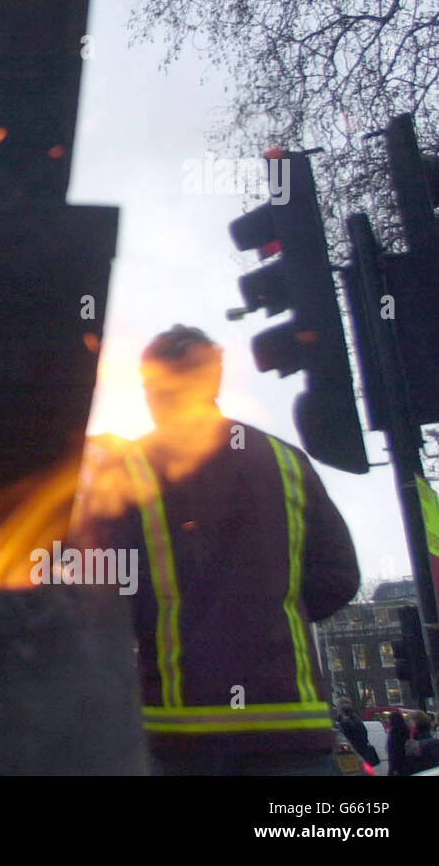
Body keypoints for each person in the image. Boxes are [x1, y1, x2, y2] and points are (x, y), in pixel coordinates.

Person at [78, 325, 360, 775]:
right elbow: (340, 577)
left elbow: (98, 594)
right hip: (290, 731)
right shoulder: (285, 461)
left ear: (152, 388)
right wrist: (271, 613)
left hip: (183, 737)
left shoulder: (127, 473)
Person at [335, 700, 377, 766]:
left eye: (338, 709)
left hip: (350, 758)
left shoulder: (343, 724)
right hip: (361, 755)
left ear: (341, 711)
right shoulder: (358, 721)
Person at [386, 710, 411, 776]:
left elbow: (393, 752)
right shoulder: (406, 730)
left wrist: (392, 769)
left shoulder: (393, 733)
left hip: (397, 765)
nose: (388, 721)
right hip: (407, 763)